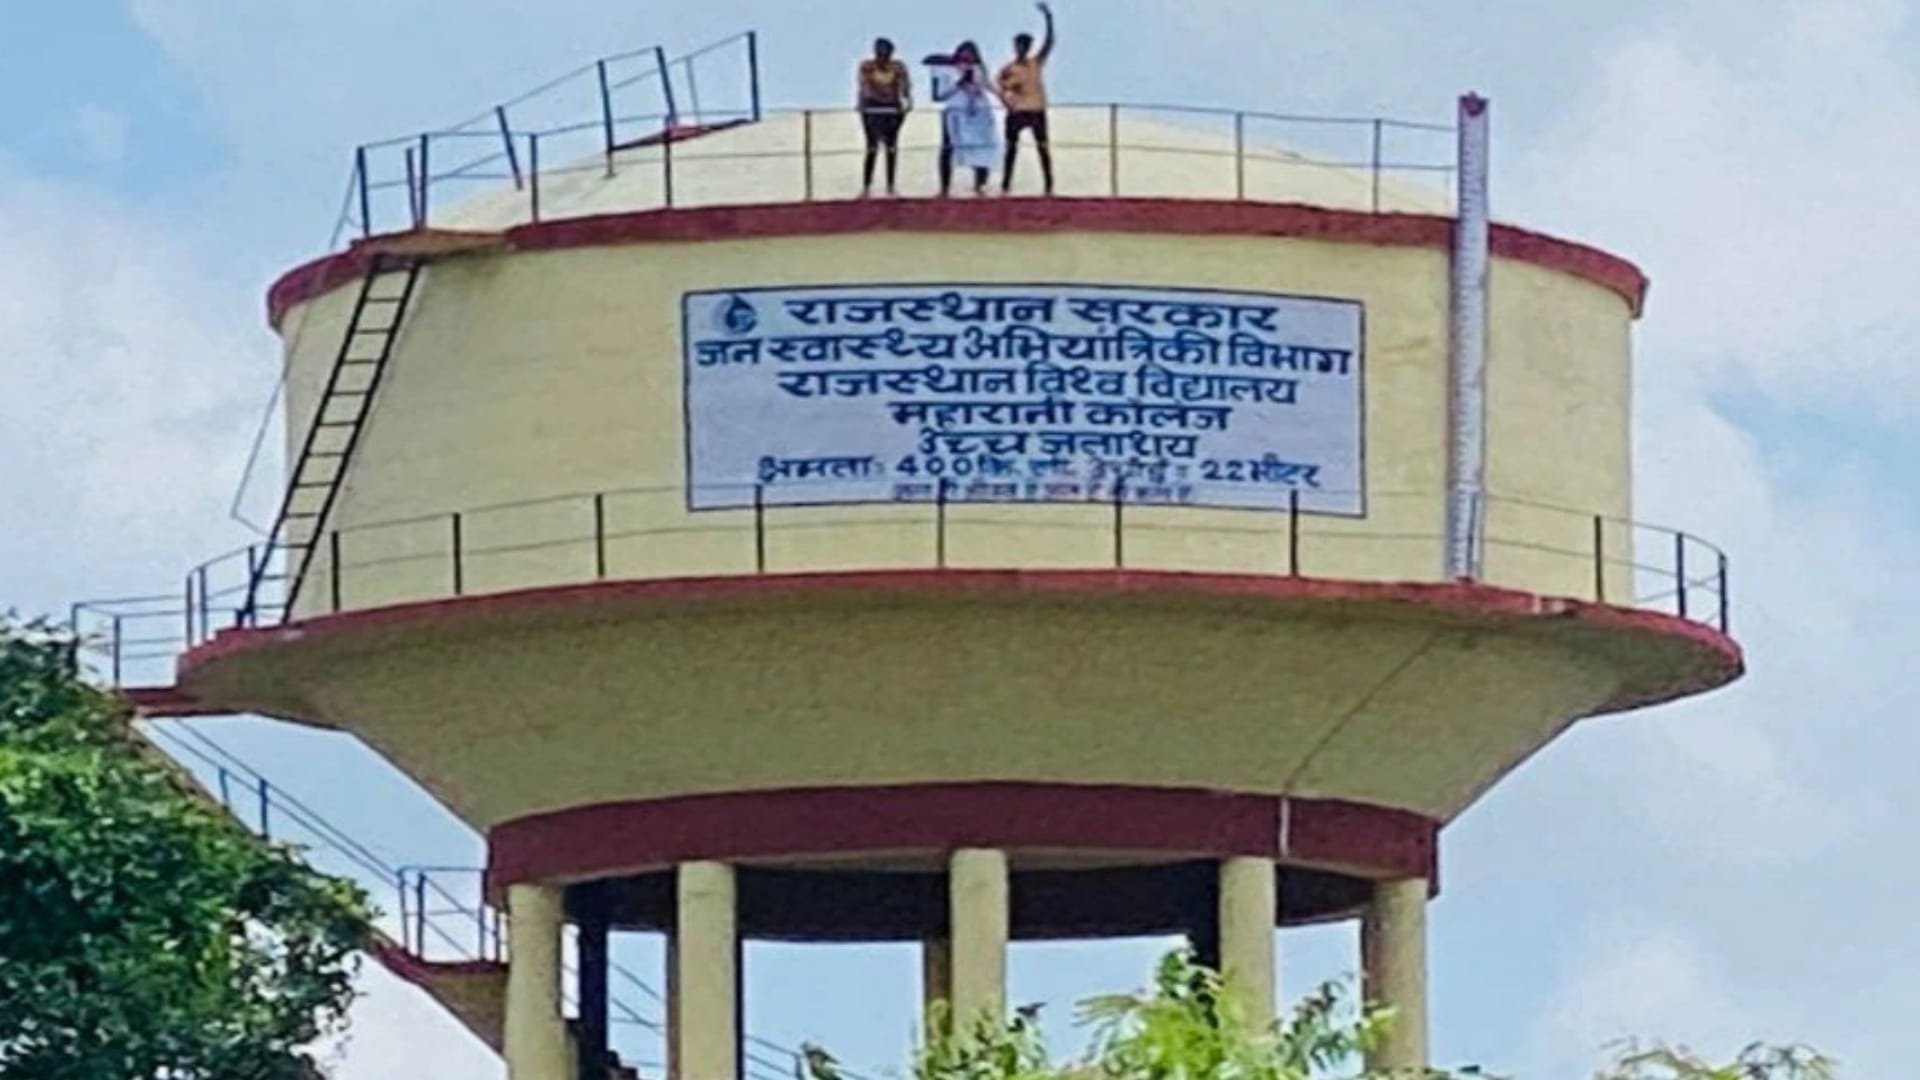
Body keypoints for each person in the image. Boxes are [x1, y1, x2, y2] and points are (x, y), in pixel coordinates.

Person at [998, 2, 1057, 195]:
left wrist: (1048, 19)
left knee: (1042, 147)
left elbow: (1049, 43)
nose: (1021, 49)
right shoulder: (1008, 69)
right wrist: (1008, 100)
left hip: (1036, 110)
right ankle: (1006, 186)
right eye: (1019, 46)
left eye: (1025, 46)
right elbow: (1000, 87)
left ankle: (1049, 186)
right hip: (1017, 111)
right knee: (1011, 149)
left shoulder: (1035, 63)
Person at [932, 41, 999, 196]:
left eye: (971, 53)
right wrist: (960, 83)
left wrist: (1003, 98)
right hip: (955, 112)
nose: (967, 57)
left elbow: (987, 86)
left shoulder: (979, 69)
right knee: (948, 148)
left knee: (982, 148)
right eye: (964, 53)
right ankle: (945, 187)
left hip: (978, 113)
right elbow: (939, 96)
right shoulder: (947, 71)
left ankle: (980, 185)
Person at [856, 38, 912, 197]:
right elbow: (865, 87)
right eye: (880, 51)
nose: (883, 55)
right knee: (872, 147)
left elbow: (905, 86)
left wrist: (907, 101)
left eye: (886, 52)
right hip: (872, 108)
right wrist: (868, 103)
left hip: (892, 109)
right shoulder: (867, 66)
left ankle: (891, 185)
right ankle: (867, 186)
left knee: (891, 147)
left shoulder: (898, 67)